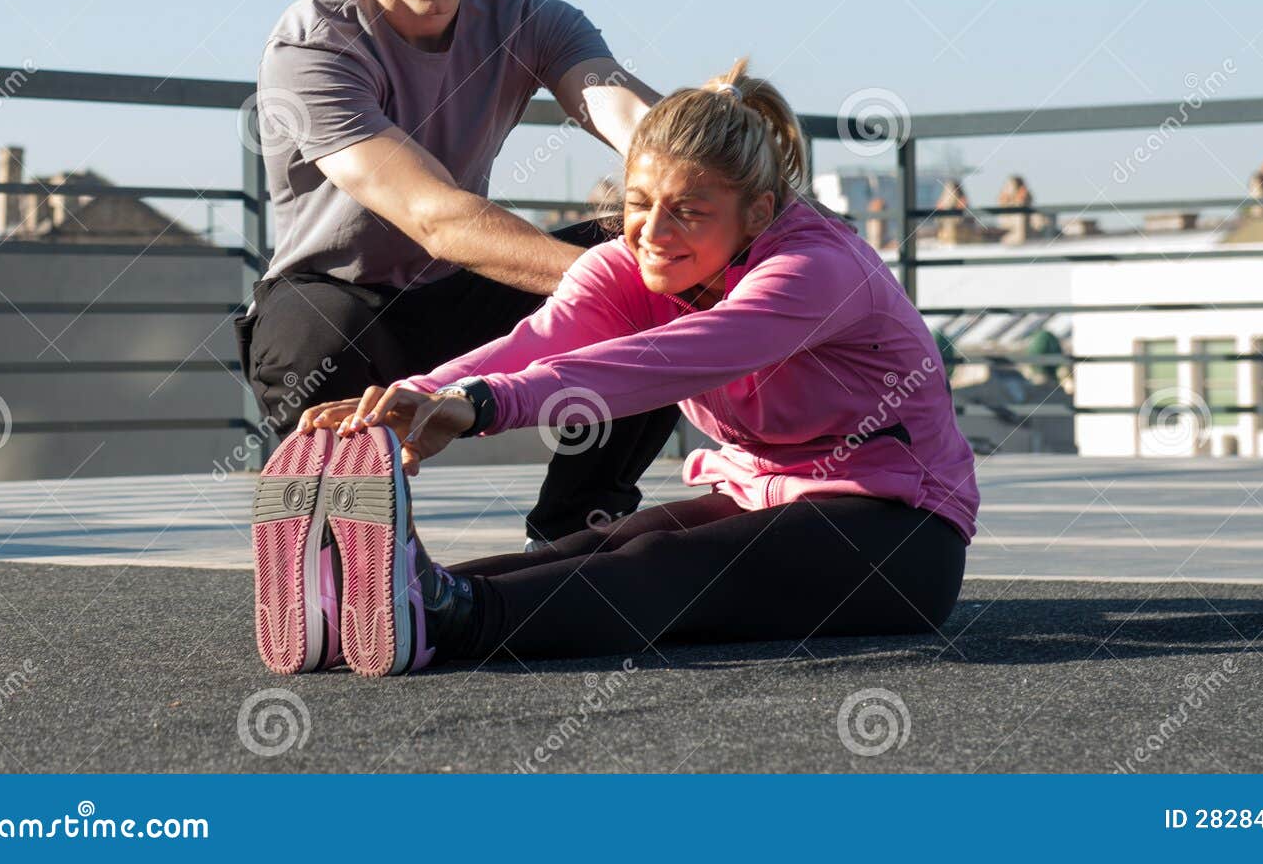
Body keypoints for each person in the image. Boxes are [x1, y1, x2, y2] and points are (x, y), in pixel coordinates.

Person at [256, 59, 979, 675]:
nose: (654, 235)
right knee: (603, 542)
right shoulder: (633, 266)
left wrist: (479, 406)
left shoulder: (814, 273)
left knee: (665, 564)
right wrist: (413, 397)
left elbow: (667, 361)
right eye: (639, 204)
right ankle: (378, 600)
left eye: (689, 211)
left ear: (756, 212)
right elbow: (540, 340)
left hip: (899, 533)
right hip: (769, 497)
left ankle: (451, 619)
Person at [235, 0, 678, 558]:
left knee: (664, 276)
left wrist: (697, 180)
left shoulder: (525, 14)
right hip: (336, 300)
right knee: (323, 340)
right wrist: (606, 282)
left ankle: (576, 533)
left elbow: (621, 109)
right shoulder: (312, 45)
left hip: (459, 290)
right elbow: (434, 214)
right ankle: (351, 551)